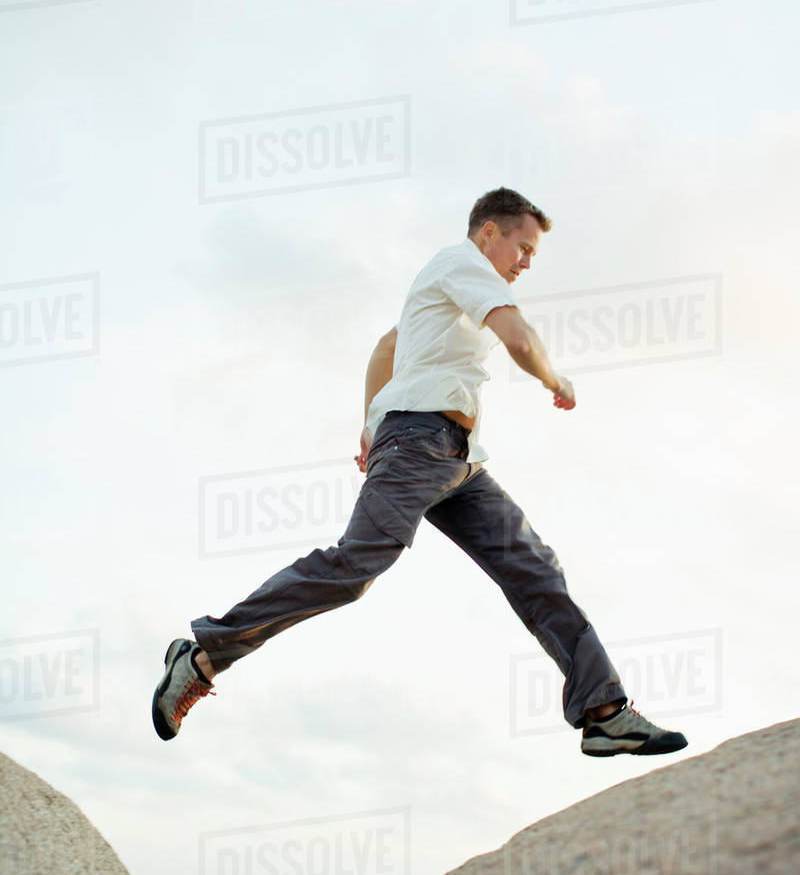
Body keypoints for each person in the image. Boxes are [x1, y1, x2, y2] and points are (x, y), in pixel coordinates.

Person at [152, 186, 687, 758]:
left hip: (457, 460)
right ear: (489, 232)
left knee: (535, 570)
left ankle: (604, 713)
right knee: (355, 567)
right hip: (418, 444)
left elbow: (387, 345)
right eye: (523, 247)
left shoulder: (444, 287)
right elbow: (518, 336)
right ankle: (205, 654)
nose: (526, 262)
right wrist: (555, 380)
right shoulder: (465, 263)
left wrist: (368, 423)